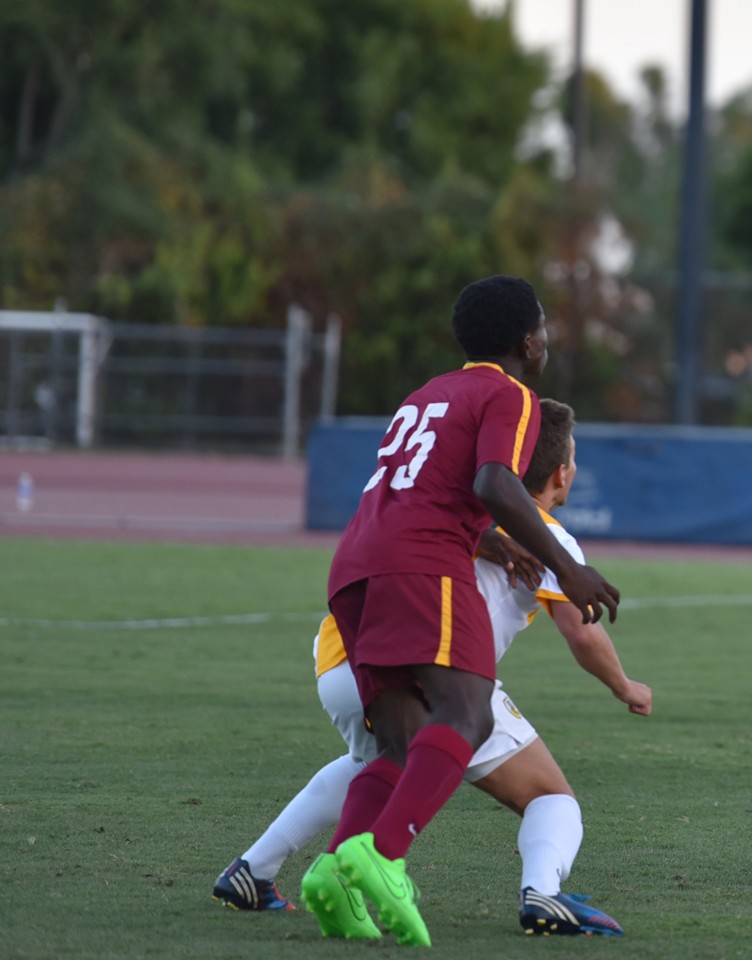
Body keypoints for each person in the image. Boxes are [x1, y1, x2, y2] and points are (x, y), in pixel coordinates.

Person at [213, 399, 646, 937]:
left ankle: (252, 870)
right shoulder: (548, 536)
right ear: (563, 473)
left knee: (373, 763)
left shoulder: (453, 506)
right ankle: (543, 895)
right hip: (429, 665)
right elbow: (581, 630)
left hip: (340, 657)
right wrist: (624, 684)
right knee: (549, 796)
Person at [302, 275, 620, 946]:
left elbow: (424, 487)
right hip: (421, 565)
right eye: (543, 329)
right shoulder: (512, 394)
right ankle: (384, 855)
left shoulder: (427, 394)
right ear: (527, 341)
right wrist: (569, 567)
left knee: (399, 738)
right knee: (468, 713)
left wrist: (494, 541)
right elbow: (493, 482)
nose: (546, 341)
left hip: (355, 565)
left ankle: (335, 875)